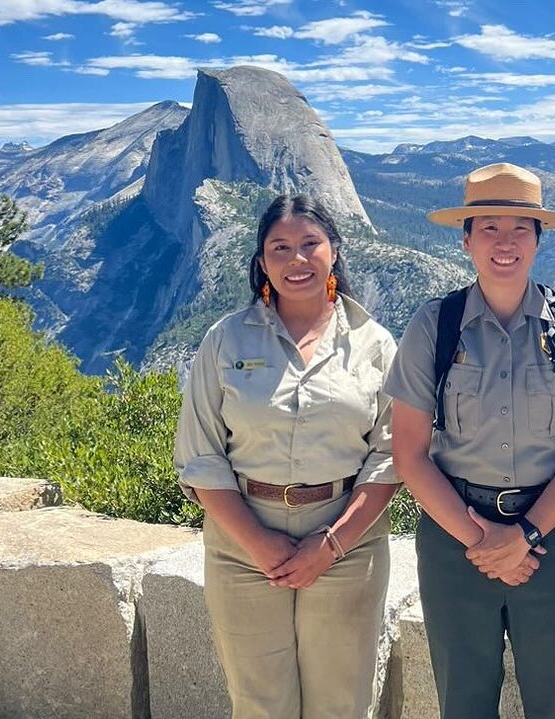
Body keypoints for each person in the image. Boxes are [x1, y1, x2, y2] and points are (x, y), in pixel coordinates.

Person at [385, 163, 555, 719]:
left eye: (520, 228)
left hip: (554, 536)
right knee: (463, 700)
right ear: (466, 240)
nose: (504, 242)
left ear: (539, 239)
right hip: (453, 535)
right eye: (488, 227)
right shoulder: (432, 327)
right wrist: (482, 539)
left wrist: (524, 535)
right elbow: (409, 453)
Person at [173, 195, 399, 719]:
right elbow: (201, 455)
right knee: (258, 704)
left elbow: (389, 457)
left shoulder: (375, 344)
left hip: (348, 537)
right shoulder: (224, 340)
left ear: (334, 251)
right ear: (261, 262)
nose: (296, 259)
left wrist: (331, 542)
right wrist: (256, 541)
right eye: (280, 247)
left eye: (309, 244)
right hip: (240, 538)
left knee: (341, 701)